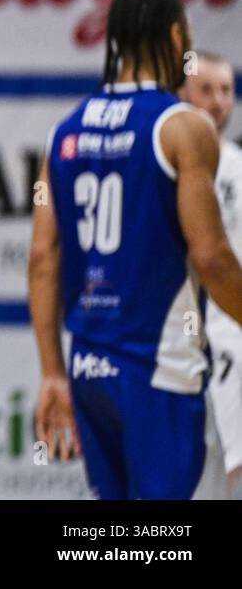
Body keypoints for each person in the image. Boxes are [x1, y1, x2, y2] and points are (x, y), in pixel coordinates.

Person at [29, 0, 242, 499]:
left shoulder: (64, 132)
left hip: (88, 369)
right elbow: (212, 257)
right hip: (160, 367)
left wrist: (52, 373)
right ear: (175, 37)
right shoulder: (183, 128)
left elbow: (41, 258)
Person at [181, 50, 242, 495]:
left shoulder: (239, 166)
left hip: (234, 339)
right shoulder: (164, 164)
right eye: (207, 90)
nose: (219, 101)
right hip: (173, 346)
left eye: (227, 90)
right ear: (181, 95)